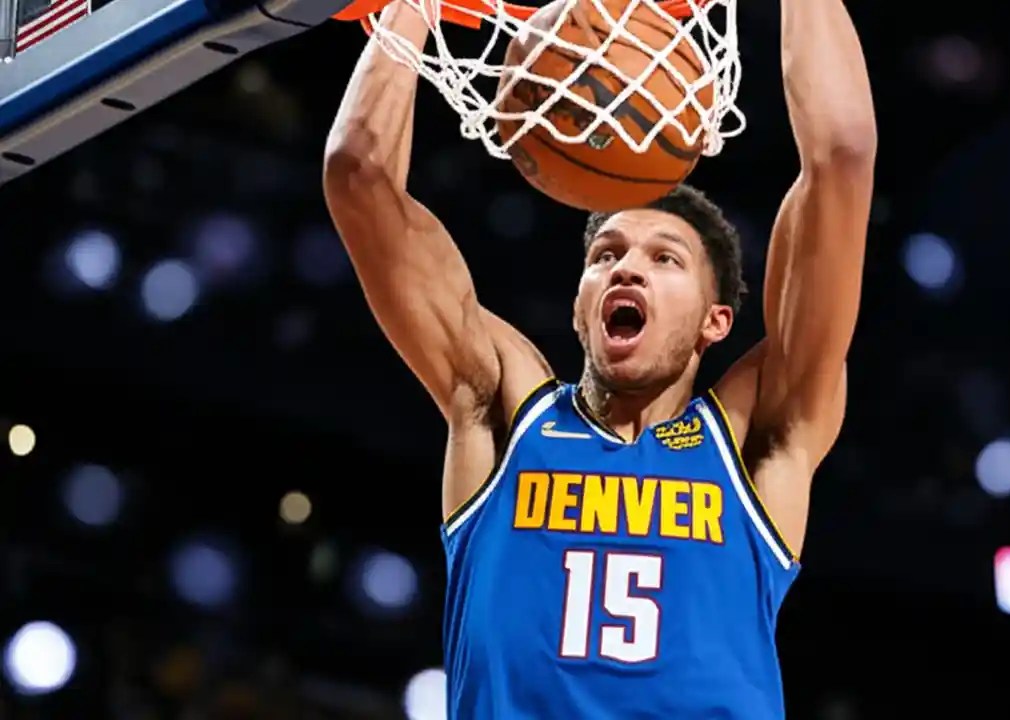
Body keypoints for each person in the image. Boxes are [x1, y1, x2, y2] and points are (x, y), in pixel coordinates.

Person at [321, 0, 875, 714]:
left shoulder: (754, 438)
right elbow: (356, 173)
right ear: (581, 306)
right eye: (606, 254)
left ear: (716, 321)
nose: (626, 270)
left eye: (665, 258)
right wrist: (412, 10)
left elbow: (842, 157)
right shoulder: (500, 408)